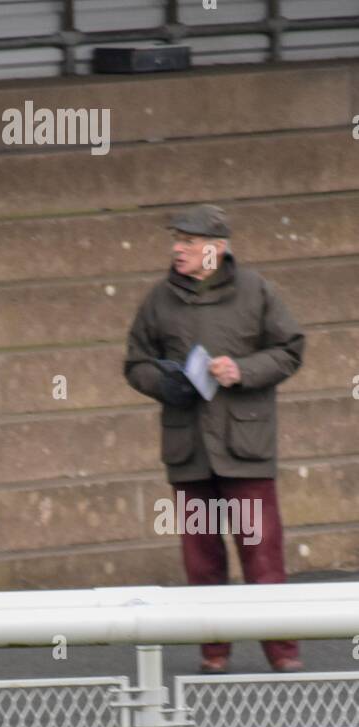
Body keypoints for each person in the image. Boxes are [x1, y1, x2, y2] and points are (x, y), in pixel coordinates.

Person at [124, 204, 305, 673]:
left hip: (245, 450)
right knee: (202, 560)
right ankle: (214, 653)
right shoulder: (158, 300)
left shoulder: (257, 291)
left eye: (188, 241)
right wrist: (166, 382)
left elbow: (290, 349)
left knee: (263, 558)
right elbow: (135, 363)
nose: (177, 249)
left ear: (217, 249)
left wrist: (242, 370)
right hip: (190, 453)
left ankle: (284, 654)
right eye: (176, 240)